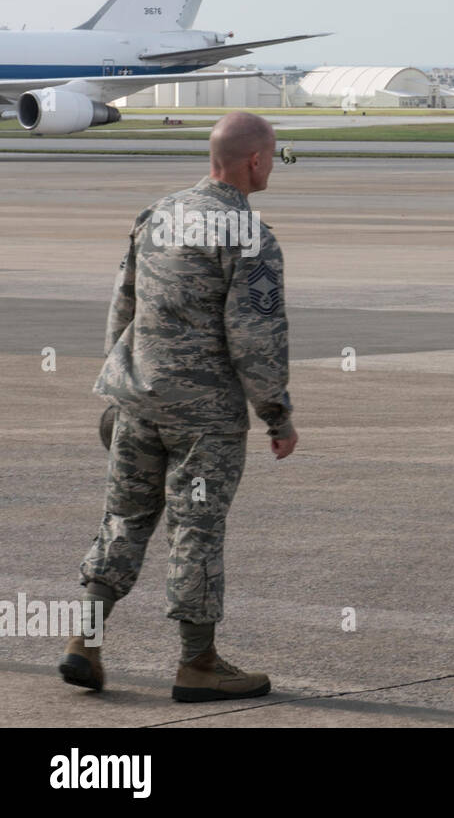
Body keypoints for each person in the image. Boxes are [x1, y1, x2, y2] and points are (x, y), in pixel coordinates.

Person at [59, 112, 298, 701]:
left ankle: (84, 642)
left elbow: (124, 308)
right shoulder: (249, 234)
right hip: (204, 420)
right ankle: (198, 664)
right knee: (196, 530)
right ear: (256, 161)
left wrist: (120, 382)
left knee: (125, 518)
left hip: (138, 400)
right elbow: (255, 339)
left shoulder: (158, 213)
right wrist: (277, 414)